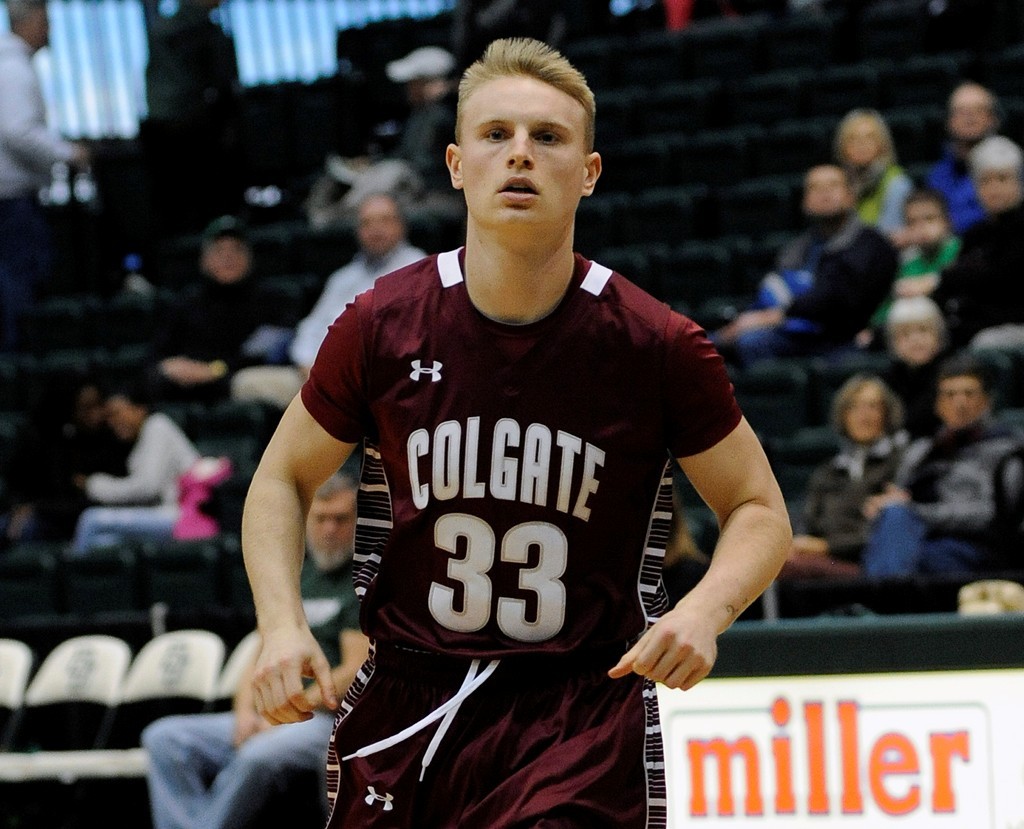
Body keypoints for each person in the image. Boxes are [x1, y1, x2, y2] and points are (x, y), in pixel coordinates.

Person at [242, 37, 791, 829]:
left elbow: (760, 508)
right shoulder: (381, 324)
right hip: (409, 697)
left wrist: (704, 611)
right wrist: (282, 622)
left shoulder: (656, 344)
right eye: (497, 135)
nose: (521, 155)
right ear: (458, 165)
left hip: (576, 711)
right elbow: (280, 477)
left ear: (589, 173)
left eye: (548, 137)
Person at [143, 473, 368, 829]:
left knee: (256, 755)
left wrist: (284, 714)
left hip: (324, 721)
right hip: (274, 716)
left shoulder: (361, 581)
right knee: (165, 738)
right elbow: (260, 652)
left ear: (357, 521)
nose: (329, 529)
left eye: (340, 519)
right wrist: (246, 713)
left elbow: (354, 670)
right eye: (320, 518)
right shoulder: (297, 576)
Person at [231, 193, 426, 409]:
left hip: (377, 379)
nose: (375, 230)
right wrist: (308, 365)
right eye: (367, 223)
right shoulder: (343, 277)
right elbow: (311, 327)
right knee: (246, 383)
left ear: (401, 226)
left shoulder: (419, 269)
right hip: (317, 376)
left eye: (384, 220)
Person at [713, 164, 898, 367]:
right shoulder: (798, 247)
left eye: (833, 185)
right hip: (796, 331)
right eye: (815, 188)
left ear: (851, 196)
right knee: (738, 342)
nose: (824, 193)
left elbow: (838, 301)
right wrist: (746, 319)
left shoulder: (871, 243)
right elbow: (772, 291)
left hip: (847, 336)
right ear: (805, 201)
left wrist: (776, 315)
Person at [861, 353, 1022, 577]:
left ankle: (881, 604)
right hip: (914, 539)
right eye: (950, 394)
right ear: (938, 404)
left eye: (969, 393)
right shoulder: (920, 451)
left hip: (973, 548)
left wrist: (918, 513)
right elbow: (899, 498)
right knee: (892, 521)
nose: (960, 403)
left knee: (904, 544)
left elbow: (992, 514)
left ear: (986, 401)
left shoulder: (1007, 450)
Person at [0, 0, 90, 351]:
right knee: (20, 285)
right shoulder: (14, 69)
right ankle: (21, 365)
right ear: (35, 19)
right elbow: (18, 131)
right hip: (12, 199)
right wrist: (70, 153)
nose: (50, 28)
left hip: (11, 198)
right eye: (47, 20)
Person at [305, 47, 459, 227]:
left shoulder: (442, 114)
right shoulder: (420, 114)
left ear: (426, 83)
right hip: (413, 183)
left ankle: (336, 216)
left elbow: (421, 163)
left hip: (433, 192)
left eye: (413, 82)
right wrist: (372, 163)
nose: (407, 89)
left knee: (392, 172)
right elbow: (406, 152)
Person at [149, 215, 290, 404]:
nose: (228, 258)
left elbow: (264, 354)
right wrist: (170, 366)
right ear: (204, 260)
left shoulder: (272, 301)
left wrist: (215, 370)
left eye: (236, 250)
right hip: (187, 390)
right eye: (219, 251)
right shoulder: (184, 303)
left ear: (250, 258)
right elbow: (159, 353)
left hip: (240, 388)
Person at [780, 374, 908, 580]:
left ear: (887, 414)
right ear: (843, 415)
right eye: (854, 407)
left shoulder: (901, 463)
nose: (863, 415)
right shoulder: (828, 470)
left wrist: (826, 546)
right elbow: (808, 521)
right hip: (826, 558)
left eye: (873, 406)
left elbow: (892, 534)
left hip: (872, 563)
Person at [140, 0, 241, 238]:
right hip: (192, 132)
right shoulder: (201, 28)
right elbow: (222, 83)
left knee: (176, 214)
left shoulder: (164, 26)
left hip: (163, 132)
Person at [0, 375, 130, 547]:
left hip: (80, 519)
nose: (96, 415)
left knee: (29, 529)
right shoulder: (48, 441)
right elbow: (19, 486)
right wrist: (21, 507)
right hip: (48, 514)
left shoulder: (112, 441)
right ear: (71, 410)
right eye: (86, 408)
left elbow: (97, 500)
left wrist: (37, 509)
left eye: (99, 405)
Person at [72, 383, 199, 554]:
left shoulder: (157, 425)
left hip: (184, 515)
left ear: (139, 409)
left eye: (117, 413)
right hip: (165, 515)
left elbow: (147, 487)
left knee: (91, 519)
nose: (113, 422)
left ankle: (71, 575)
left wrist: (94, 485)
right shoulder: (140, 438)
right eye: (109, 417)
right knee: (103, 544)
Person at [933, 134, 1024, 350]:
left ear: (1019, 182)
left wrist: (957, 276)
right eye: (985, 180)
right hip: (975, 323)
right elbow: (951, 283)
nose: (994, 189)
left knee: (986, 344)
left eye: (1002, 179)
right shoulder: (975, 233)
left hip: (1012, 326)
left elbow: (1004, 282)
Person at [860, 187, 961, 346]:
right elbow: (884, 311)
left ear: (947, 221)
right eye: (912, 222)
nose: (922, 228)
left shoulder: (960, 252)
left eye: (929, 219)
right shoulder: (906, 262)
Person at [925, 81, 1000, 235]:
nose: (970, 116)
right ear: (949, 121)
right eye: (961, 111)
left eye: (978, 109)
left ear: (993, 119)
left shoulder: (1010, 166)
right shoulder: (937, 176)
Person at [833, 108, 913, 247]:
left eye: (870, 137)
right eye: (853, 138)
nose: (861, 144)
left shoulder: (897, 184)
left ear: (883, 144)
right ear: (842, 146)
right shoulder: (842, 183)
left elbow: (888, 239)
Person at [883, 296, 950, 439]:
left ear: (938, 335)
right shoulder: (888, 379)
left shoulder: (952, 374)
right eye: (905, 333)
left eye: (923, 330)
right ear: (894, 342)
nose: (915, 339)